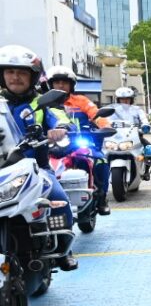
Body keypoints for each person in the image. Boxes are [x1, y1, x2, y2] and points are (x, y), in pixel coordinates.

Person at [0, 45, 77, 271]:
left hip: (35, 169)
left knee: (58, 199)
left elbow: (61, 118)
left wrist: (60, 129)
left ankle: (64, 249)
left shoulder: (43, 102)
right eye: (10, 72)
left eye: (22, 72)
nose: (15, 77)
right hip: (2, 167)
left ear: (32, 77)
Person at [46, 65, 111, 216]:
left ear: (71, 85)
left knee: (101, 161)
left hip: (80, 143)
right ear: (50, 84)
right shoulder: (45, 103)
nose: (61, 85)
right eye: (57, 82)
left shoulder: (81, 100)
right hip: (51, 146)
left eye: (64, 82)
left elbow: (96, 114)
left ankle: (101, 197)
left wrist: (105, 126)